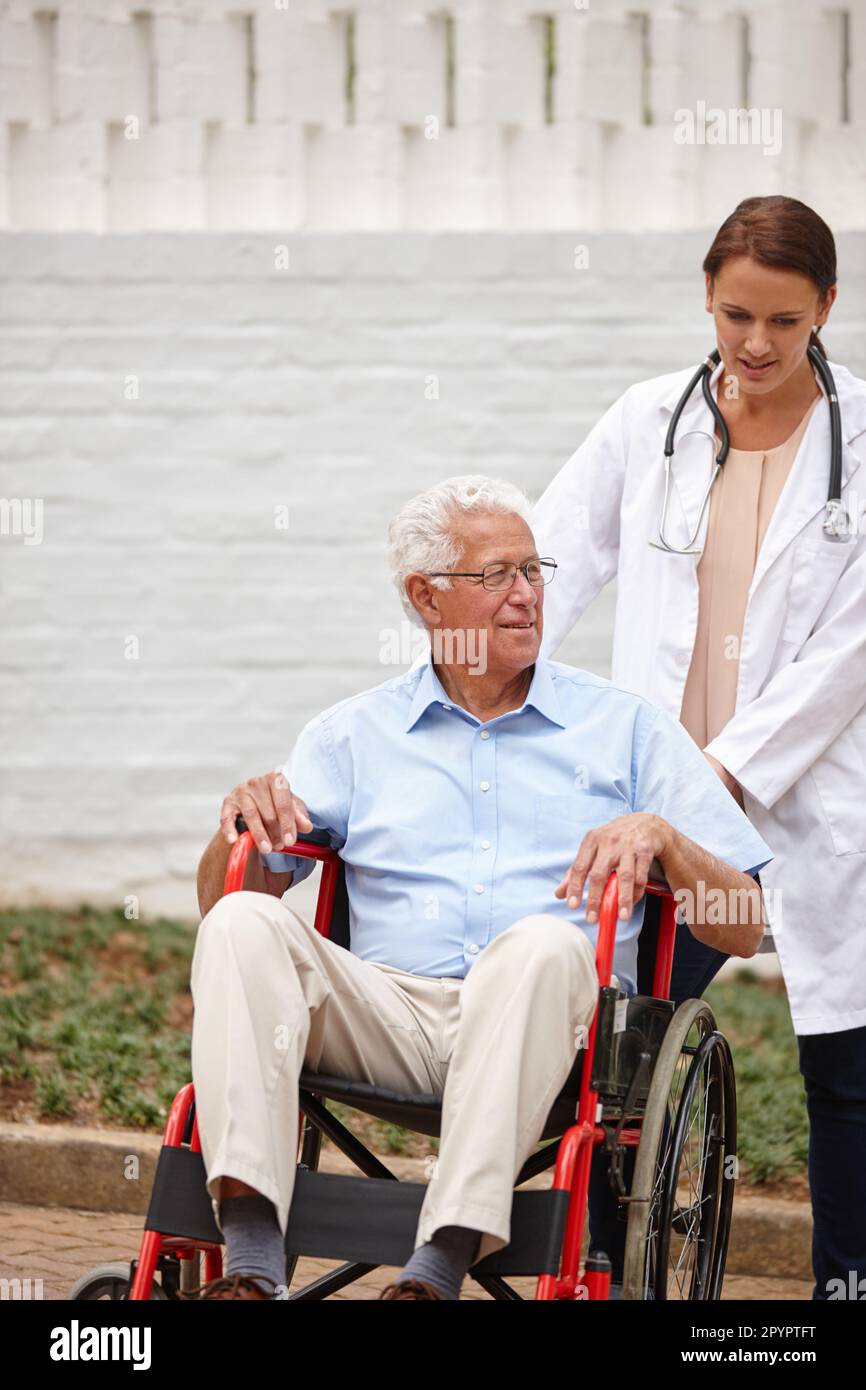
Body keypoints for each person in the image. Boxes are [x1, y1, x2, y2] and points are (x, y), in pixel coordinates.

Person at [187, 475, 770, 1299]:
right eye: (497, 575)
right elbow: (219, 904)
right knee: (245, 923)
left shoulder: (625, 728)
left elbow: (743, 923)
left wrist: (666, 838)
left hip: (551, 1020)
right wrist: (236, 826)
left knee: (538, 943)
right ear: (427, 598)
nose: (527, 596)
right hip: (387, 1012)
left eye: (534, 572)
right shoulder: (354, 733)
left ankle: (436, 1270)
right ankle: (248, 1267)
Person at [531, 195, 866, 1300]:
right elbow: (549, 560)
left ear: (825, 304)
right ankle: (592, 1266)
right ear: (706, 300)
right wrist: (473, 654)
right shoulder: (646, 422)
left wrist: (700, 784)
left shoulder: (860, 449)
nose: (755, 344)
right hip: (657, 801)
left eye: (781, 319)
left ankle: (841, 1293)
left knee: (847, 1068)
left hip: (807, 799)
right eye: (733, 316)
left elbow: (841, 663)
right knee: (616, 1039)